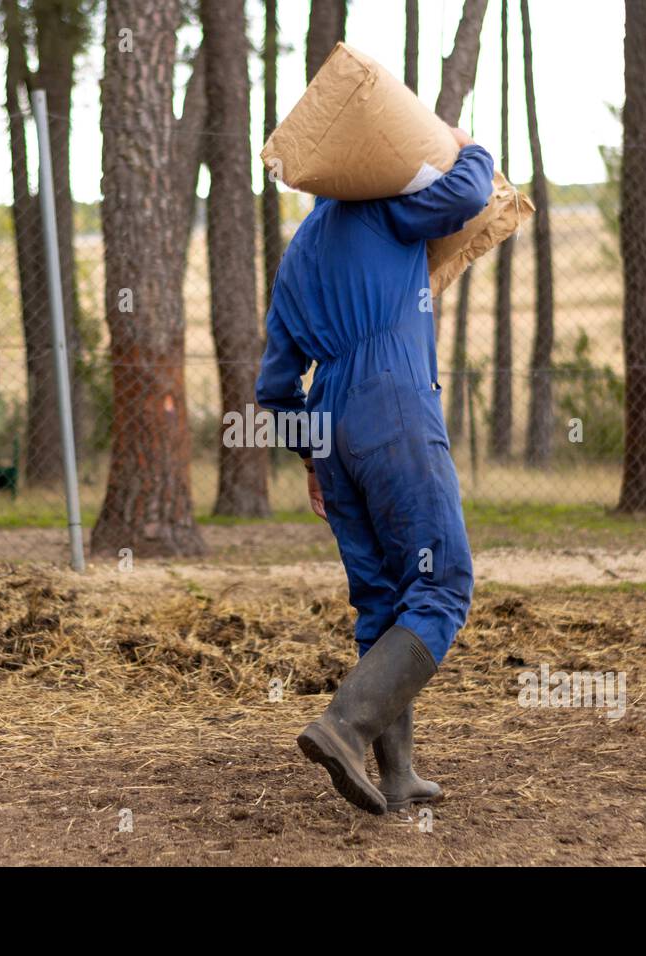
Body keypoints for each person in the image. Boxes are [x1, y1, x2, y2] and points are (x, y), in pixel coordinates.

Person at [256, 127, 494, 814]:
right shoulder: (384, 204)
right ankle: (344, 726)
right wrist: (468, 144)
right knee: (442, 583)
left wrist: (311, 458)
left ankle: (398, 773)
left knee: (383, 596)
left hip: (328, 421)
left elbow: (274, 388)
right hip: (392, 399)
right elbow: (470, 192)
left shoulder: (297, 255)